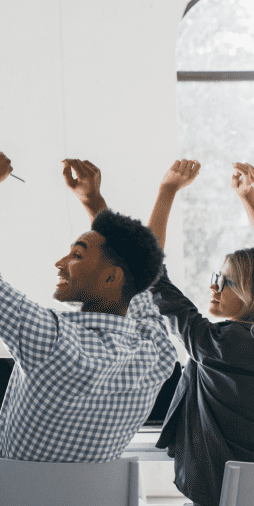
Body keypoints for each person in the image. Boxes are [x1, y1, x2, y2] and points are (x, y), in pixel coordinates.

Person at [0, 153, 176, 501]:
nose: (60, 262)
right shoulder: (158, 357)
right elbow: (137, 287)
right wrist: (96, 206)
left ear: (110, 277)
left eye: (77, 255)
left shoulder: (50, 340)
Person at [144, 159, 254, 506]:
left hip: (213, 493)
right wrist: (249, 203)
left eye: (224, 281)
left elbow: (151, 273)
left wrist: (167, 191)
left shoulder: (215, 344)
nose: (214, 287)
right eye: (214, 278)